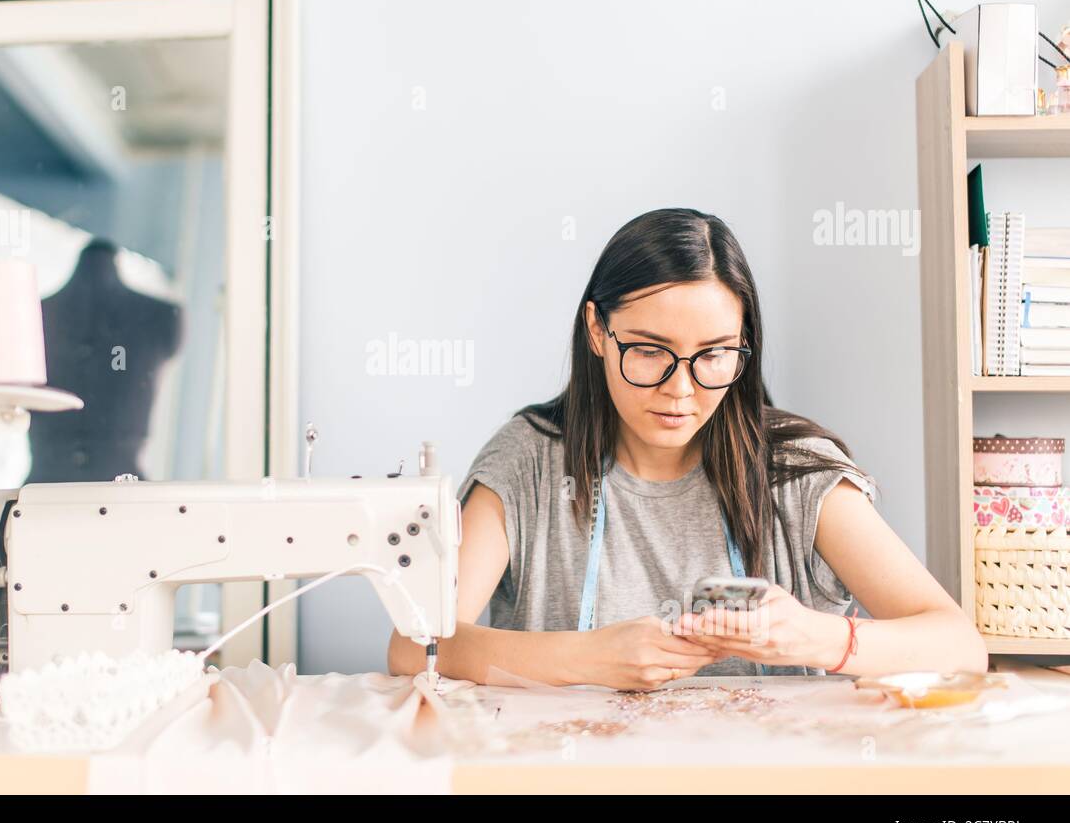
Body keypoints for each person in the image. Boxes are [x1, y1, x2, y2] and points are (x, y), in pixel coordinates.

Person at [388, 208, 987, 689]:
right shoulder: (530, 462)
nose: (681, 390)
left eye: (713, 355)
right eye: (649, 350)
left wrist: (814, 638)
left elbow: (959, 646)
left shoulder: (795, 471)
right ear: (598, 331)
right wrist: (588, 658)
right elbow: (416, 647)